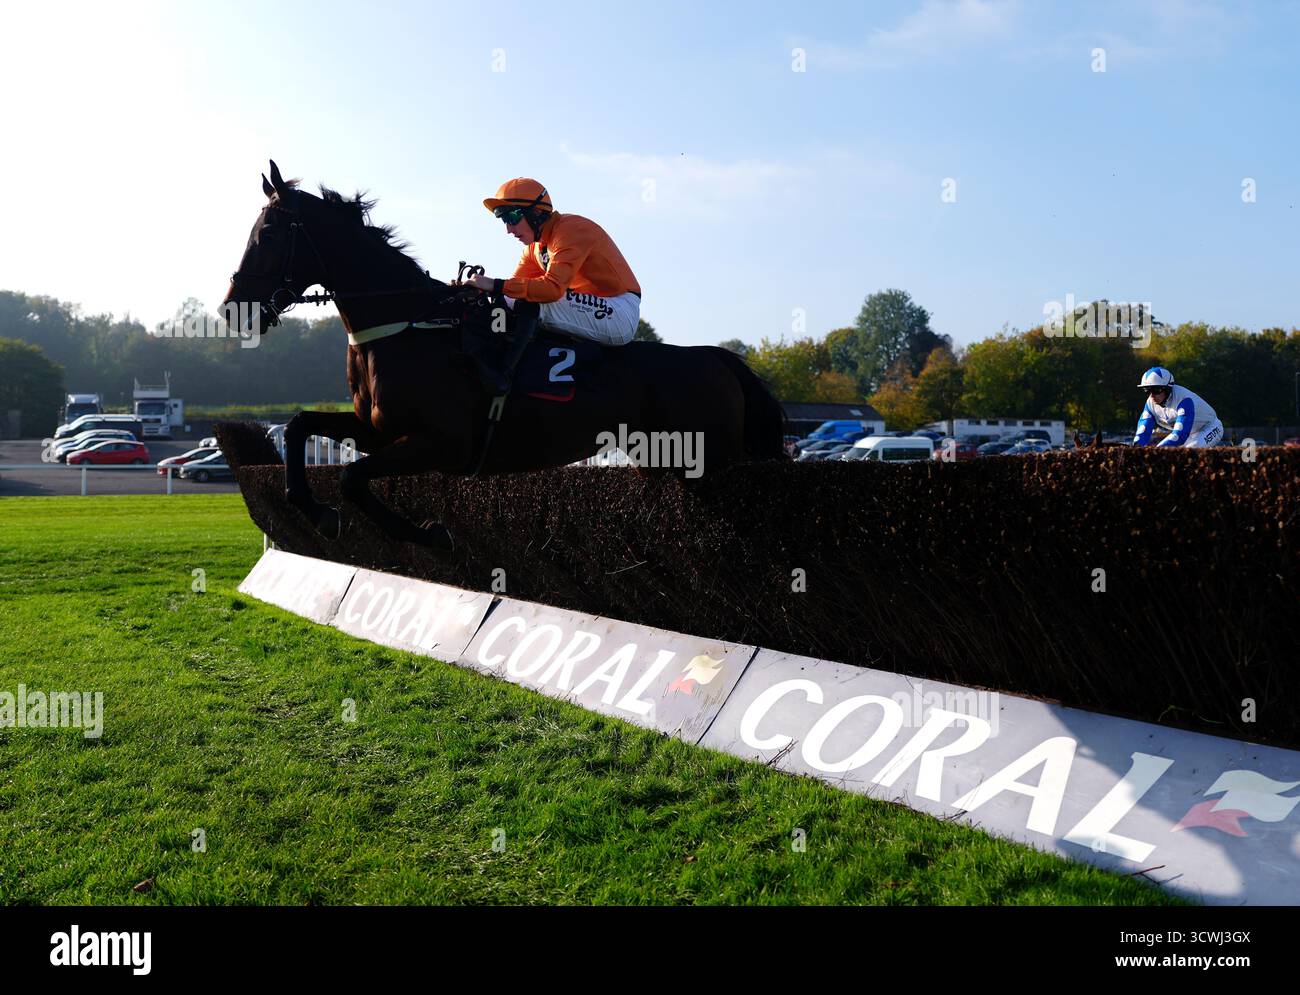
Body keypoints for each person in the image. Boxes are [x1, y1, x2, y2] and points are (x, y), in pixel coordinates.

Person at [459, 178, 642, 393]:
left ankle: (503, 375)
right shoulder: (533, 249)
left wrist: (494, 284)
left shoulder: (572, 229)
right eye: (503, 220)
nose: (508, 229)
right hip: (587, 307)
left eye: (512, 217)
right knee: (508, 301)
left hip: (619, 311)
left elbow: (552, 289)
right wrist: (473, 289)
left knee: (530, 301)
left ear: (536, 213)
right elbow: (512, 291)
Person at [1132, 367, 1224, 448]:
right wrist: (1136, 447)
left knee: (1190, 450)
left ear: (1167, 389)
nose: (1151, 396)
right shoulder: (1150, 404)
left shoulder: (1184, 400)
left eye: (1156, 390)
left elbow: (1180, 435)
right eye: (1147, 391)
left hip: (1210, 427)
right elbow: (1143, 431)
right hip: (1188, 433)